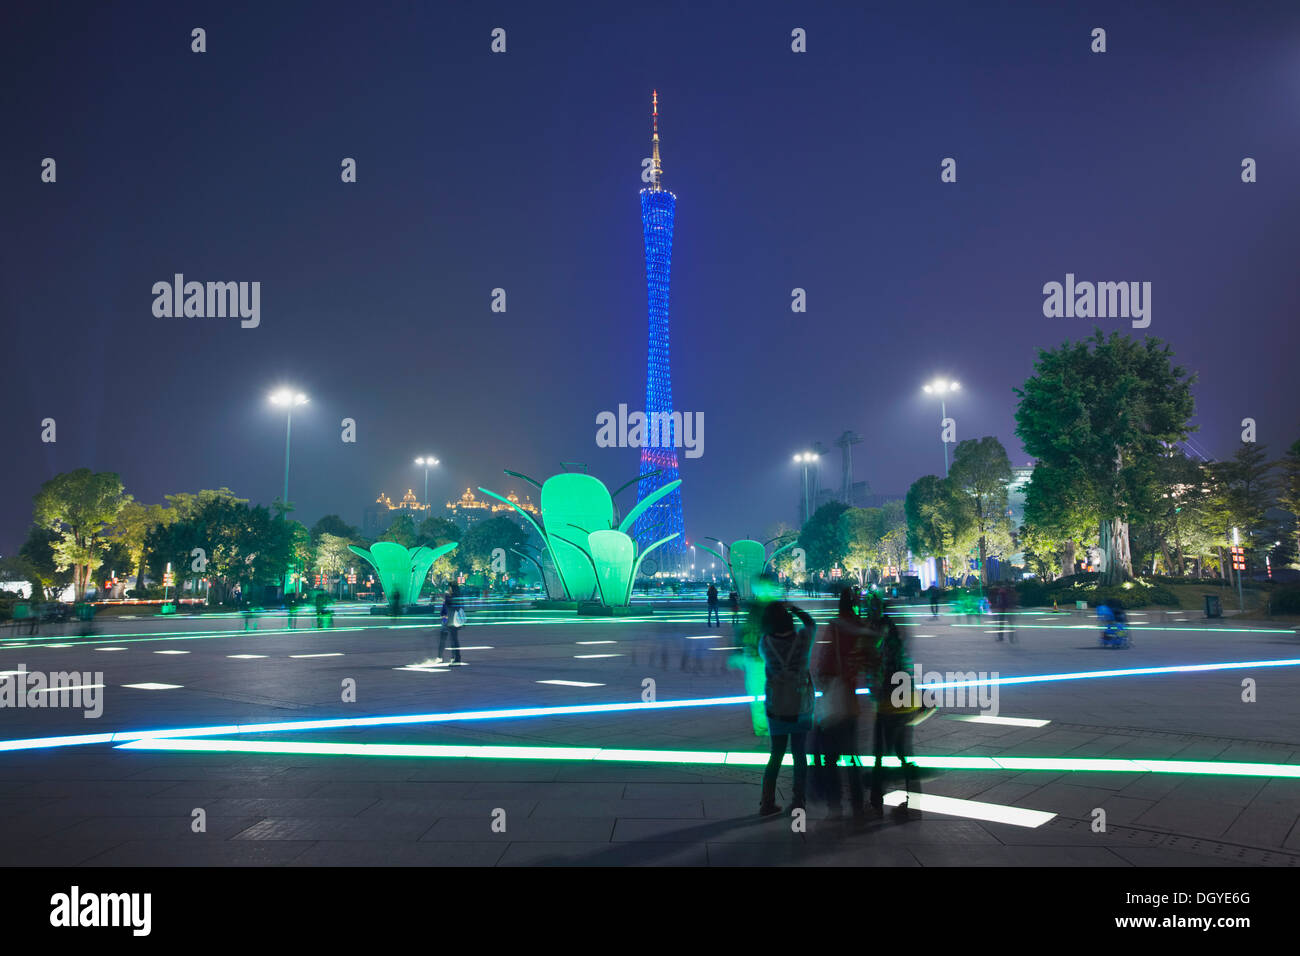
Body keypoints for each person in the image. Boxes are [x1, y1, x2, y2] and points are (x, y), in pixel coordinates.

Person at [811, 587, 876, 822]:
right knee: (852, 755)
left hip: (832, 700)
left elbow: (822, 663)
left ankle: (834, 806)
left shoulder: (835, 627)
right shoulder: (862, 629)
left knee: (829, 757)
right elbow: (871, 660)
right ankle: (858, 804)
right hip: (850, 701)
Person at [758, 599, 816, 817]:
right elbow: (811, 624)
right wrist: (794, 608)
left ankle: (767, 801)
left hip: (776, 707)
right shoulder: (803, 640)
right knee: (799, 754)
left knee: (776, 754)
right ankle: (799, 799)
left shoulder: (765, 643)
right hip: (800, 706)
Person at [869, 602, 921, 818]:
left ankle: (875, 804)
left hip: (889, 707)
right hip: (906, 705)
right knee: (904, 754)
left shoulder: (883, 648)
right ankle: (915, 804)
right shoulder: (900, 645)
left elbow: (880, 678)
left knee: (881, 755)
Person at [438, 583, 465, 665]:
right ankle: (453, 657)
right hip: (451, 620)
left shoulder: (451, 597)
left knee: (452, 640)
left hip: (451, 620)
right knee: (452, 639)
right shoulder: (458, 597)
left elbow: (449, 606)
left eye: (449, 587)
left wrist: (446, 598)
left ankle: (456, 658)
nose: (448, 589)